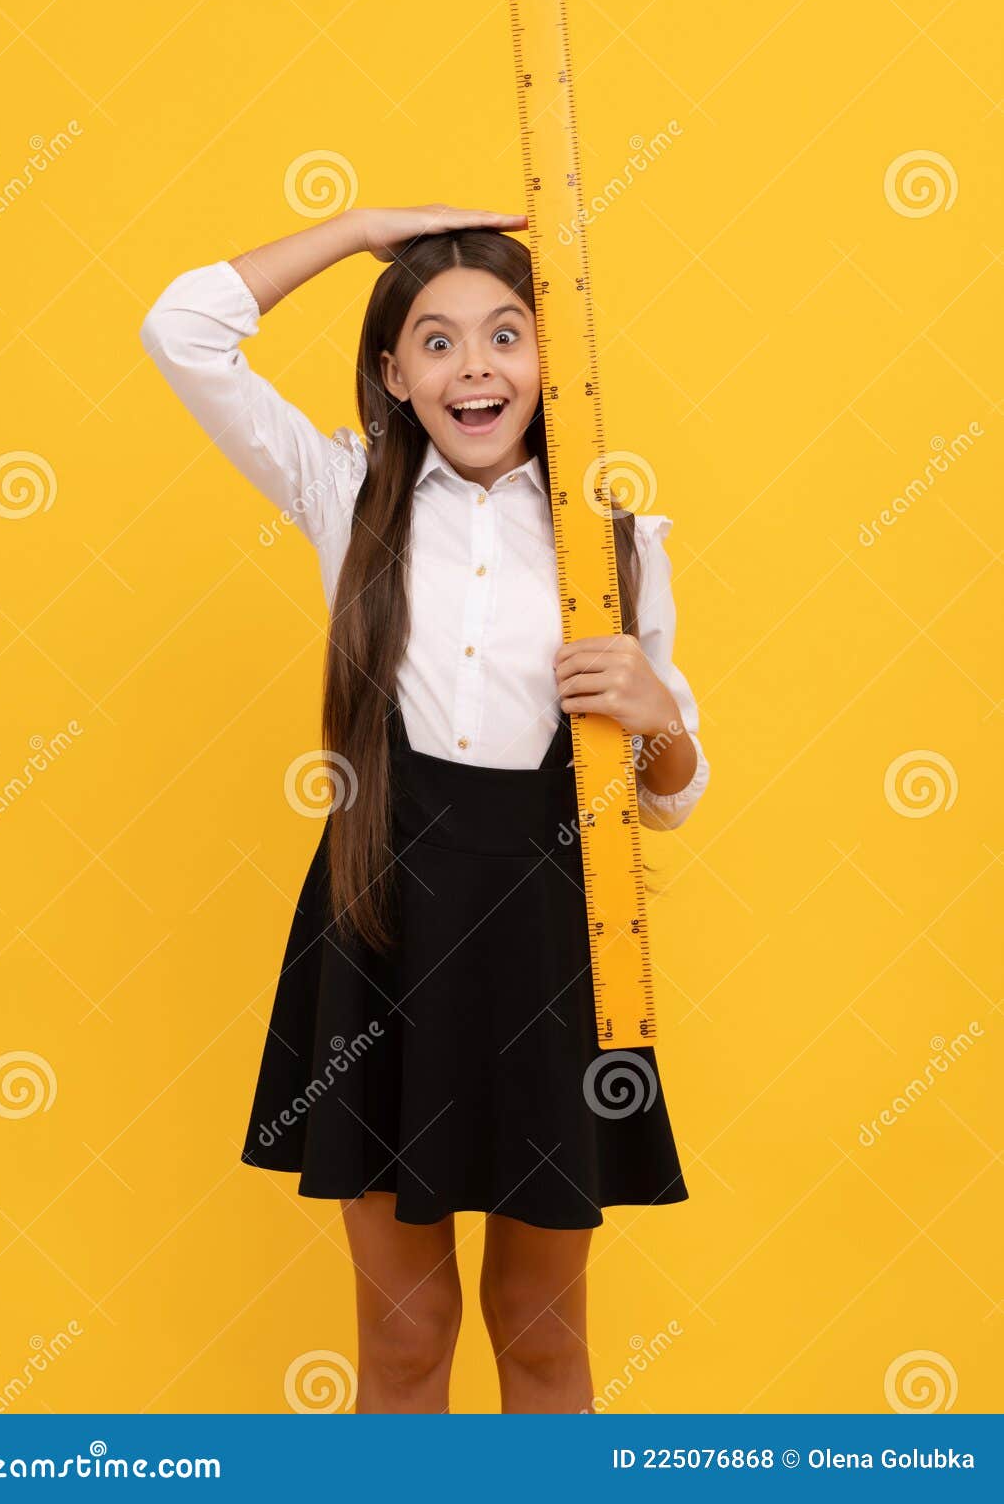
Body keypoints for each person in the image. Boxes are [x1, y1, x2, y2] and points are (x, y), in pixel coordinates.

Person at [139, 203, 711, 1414]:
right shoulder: (342, 495)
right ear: (393, 375)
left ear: (549, 362)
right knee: (405, 1342)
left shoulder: (617, 541)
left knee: (542, 1339)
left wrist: (655, 715)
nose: (475, 367)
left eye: (506, 335)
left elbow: (668, 796)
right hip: (382, 927)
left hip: (554, 947)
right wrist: (360, 232)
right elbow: (181, 329)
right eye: (437, 342)